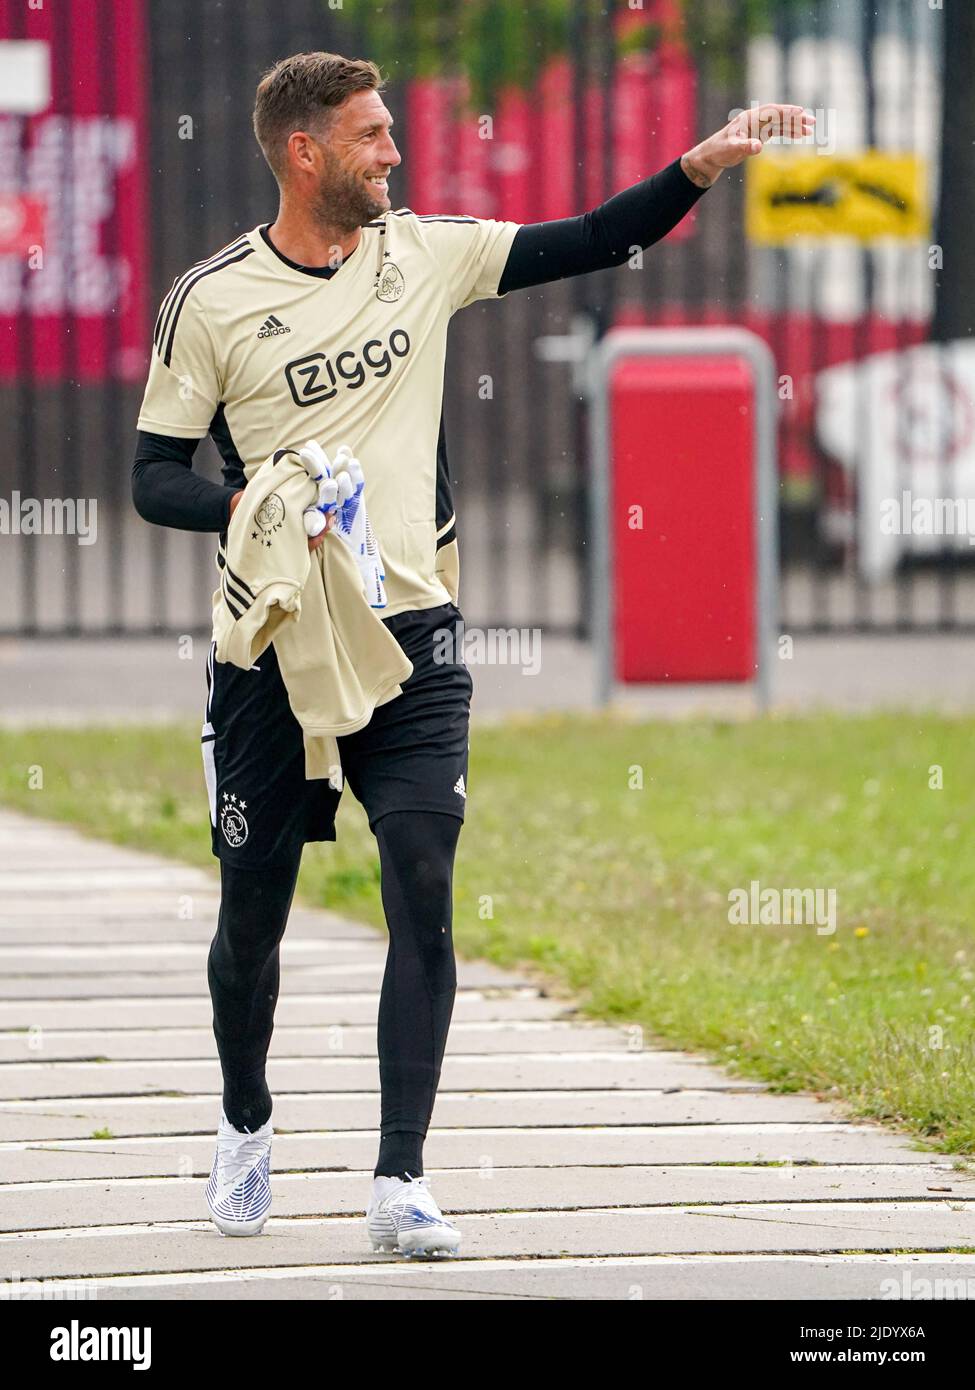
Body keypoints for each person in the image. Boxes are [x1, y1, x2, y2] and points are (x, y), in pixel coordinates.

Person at [133, 49, 812, 1255]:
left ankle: (401, 1177)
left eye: (391, 131)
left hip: (416, 633)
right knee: (253, 922)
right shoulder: (213, 299)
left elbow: (594, 236)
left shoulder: (426, 254)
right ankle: (246, 1122)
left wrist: (701, 165)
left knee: (426, 891)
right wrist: (247, 503)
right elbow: (150, 476)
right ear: (305, 152)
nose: (393, 152)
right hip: (277, 651)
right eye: (371, 135)